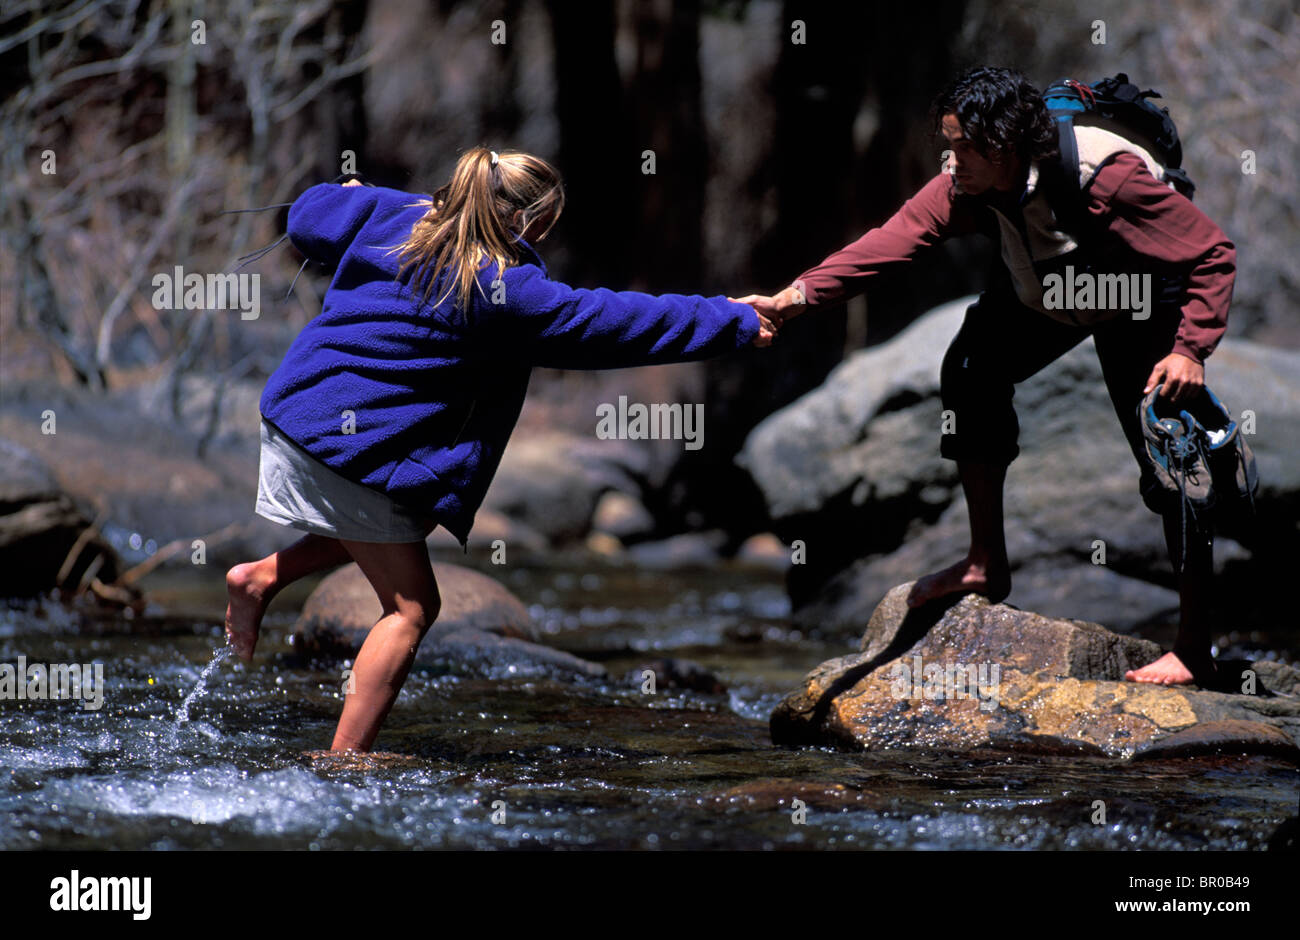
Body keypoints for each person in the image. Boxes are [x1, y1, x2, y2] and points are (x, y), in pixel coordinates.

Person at [225, 147, 775, 752]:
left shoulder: (393, 214)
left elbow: (306, 218)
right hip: (345, 447)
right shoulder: (503, 289)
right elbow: (615, 321)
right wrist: (732, 319)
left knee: (400, 513)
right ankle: (345, 763)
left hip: (296, 416)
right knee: (411, 611)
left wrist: (350, 192)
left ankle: (260, 578)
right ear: (529, 223)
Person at [737, 67, 1236, 687]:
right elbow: (892, 242)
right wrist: (793, 299)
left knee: (1170, 451)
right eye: (947, 146)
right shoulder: (965, 184)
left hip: (1135, 294)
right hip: (1050, 288)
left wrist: (1190, 349)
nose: (950, 161)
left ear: (1005, 146)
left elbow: (1212, 252)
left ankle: (1193, 649)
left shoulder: (1108, 179)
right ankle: (984, 562)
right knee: (970, 366)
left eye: (962, 149)